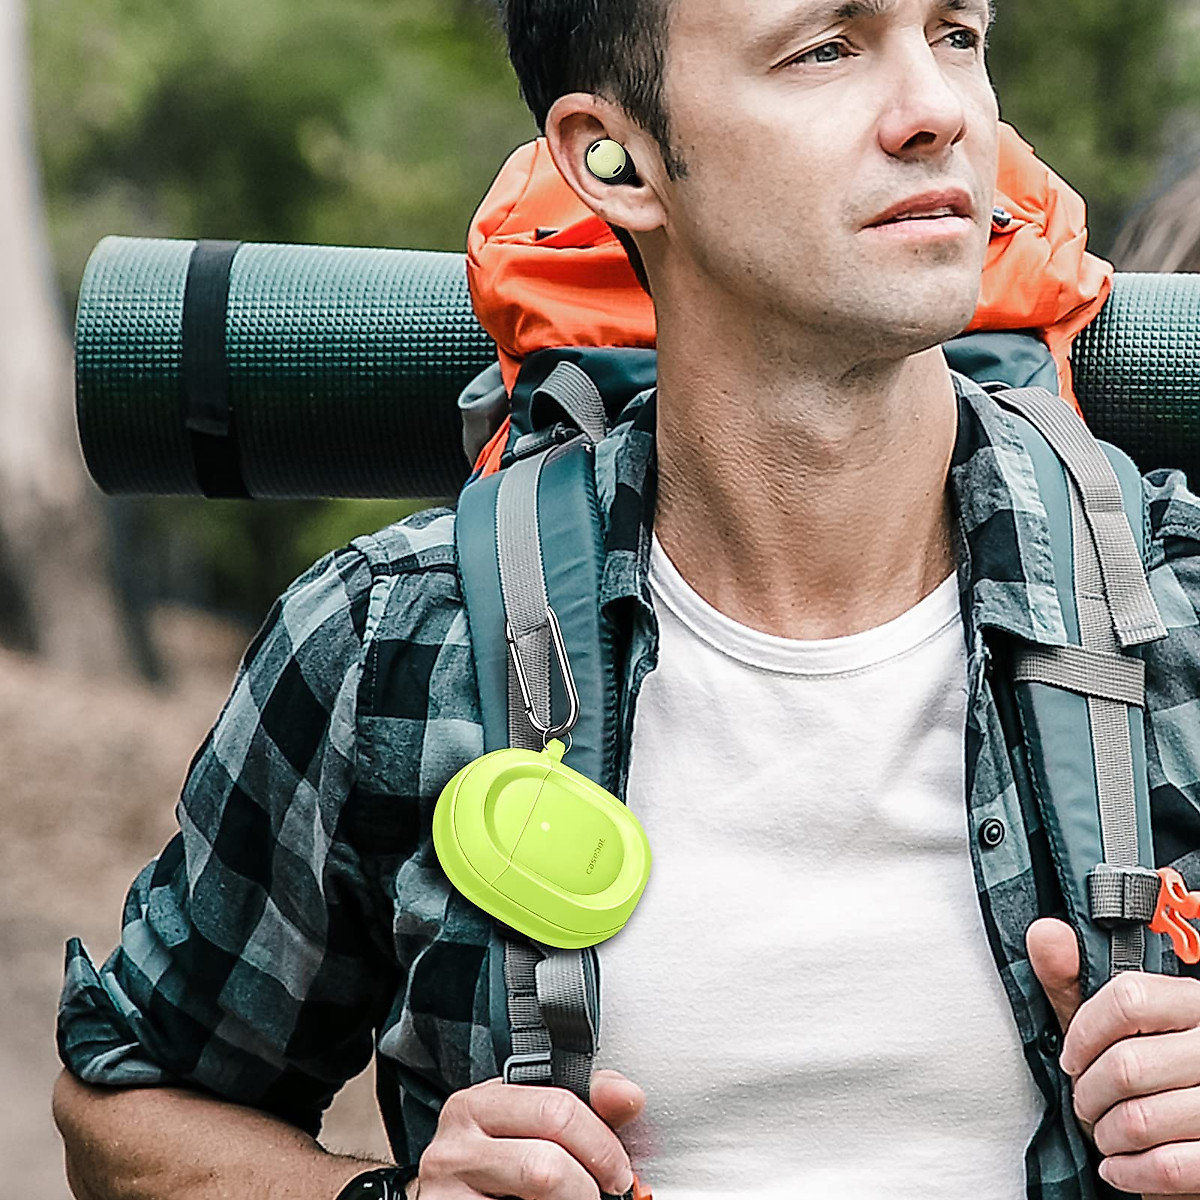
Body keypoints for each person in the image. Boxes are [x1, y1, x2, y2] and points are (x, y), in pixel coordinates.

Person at [52, 0, 1200, 1196]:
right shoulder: (393, 643)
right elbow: (119, 1114)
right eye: (825, 48)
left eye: (956, 34)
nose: (939, 112)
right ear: (614, 158)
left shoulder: (1180, 609)